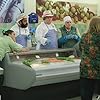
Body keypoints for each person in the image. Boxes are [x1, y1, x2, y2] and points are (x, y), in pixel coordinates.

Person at [79, 16, 100, 100]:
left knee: (86, 93)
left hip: (85, 69)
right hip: (98, 69)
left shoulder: (84, 36)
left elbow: (80, 48)